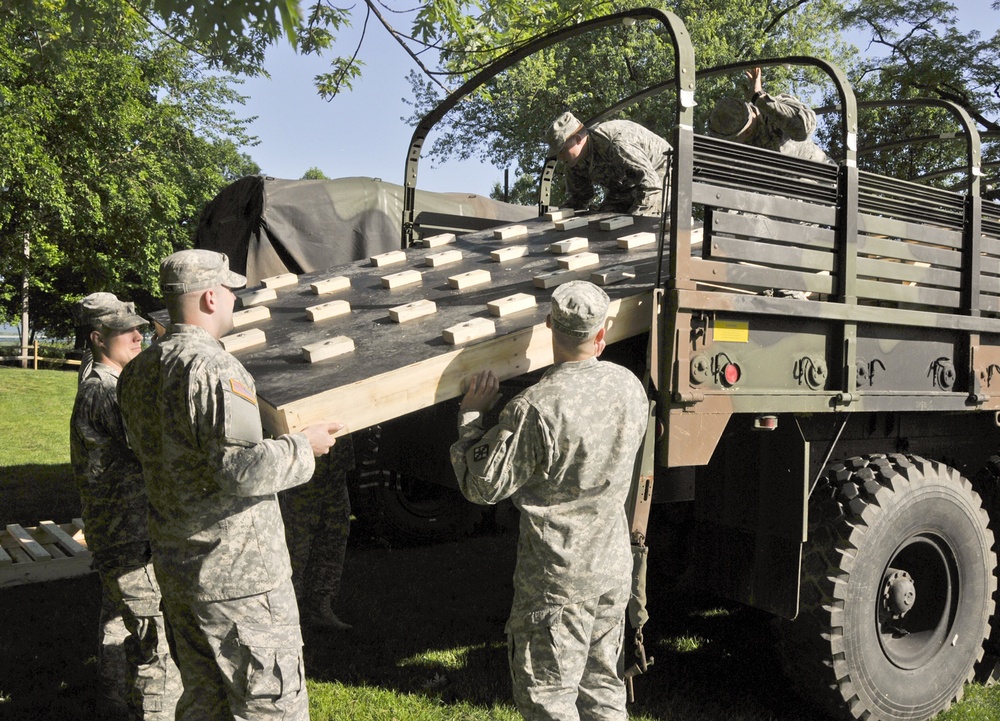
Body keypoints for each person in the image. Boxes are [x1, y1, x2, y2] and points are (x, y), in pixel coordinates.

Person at [117, 249, 342, 721]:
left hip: (179, 570)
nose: (234, 303)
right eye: (230, 294)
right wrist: (304, 445)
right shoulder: (216, 369)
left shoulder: (138, 371)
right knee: (269, 706)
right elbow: (240, 471)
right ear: (210, 298)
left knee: (203, 702)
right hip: (240, 580)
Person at [450, 281, 649, 721]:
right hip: (612, 566)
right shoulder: (629, 385)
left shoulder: (536, 407)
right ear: (601, 335)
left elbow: (481, 487)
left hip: (558, 580)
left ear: (548, 327)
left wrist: (471, 418)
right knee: (604, 691)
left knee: (548, 700)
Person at [70, 292, 181, 719]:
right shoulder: (107, 391)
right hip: (129, 533)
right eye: (126, 331)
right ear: (99, 338)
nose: (138, 335)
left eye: (138, 328)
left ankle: (113, 703)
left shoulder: (99, 381)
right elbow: (153, 446)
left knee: (119, 622)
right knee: (158, 644)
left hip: (116, 530)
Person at [279, 436, 354, 630]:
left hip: (335, 467)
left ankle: (321, 607)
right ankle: (288, 614)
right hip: (301, 470)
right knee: (295, 541)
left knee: (334, 535)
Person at [546, 112, 672, 217]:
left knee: (633, 228)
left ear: (578, 139)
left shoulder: (615, 144)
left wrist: (635, 222)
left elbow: (651, 185)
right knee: (602, 221)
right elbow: (580, 198)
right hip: (627, 187)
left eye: (562, 150)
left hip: (664, 175)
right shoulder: (573, 162)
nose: (559, 157)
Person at [708, 67, 834, 164]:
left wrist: (759, 98)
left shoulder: (773, 113)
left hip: (823, 184)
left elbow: (804, 128)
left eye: (731, 141)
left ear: (746, 132)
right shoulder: (740, 144)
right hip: (783, 193)